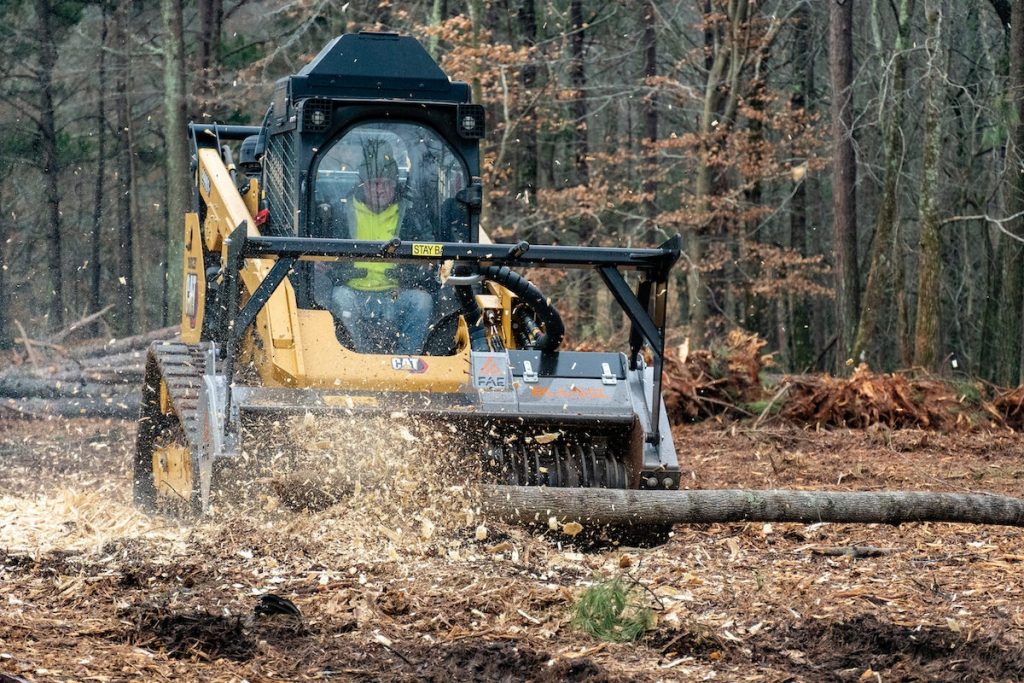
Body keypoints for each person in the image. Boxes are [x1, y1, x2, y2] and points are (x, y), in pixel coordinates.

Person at [313, 138, 435, 354]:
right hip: (353, 292)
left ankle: (406, 363)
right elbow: (321, 245)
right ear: (363, 183)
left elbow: (430, 246)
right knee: (340, 298)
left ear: (395, 184)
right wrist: (320, 262)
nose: (379, 190)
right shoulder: (340, 213)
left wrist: (428, 263)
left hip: (396, 294)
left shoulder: (411, 214)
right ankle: (358, 358)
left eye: (386, 183)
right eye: (373, 183)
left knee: (422, 301)